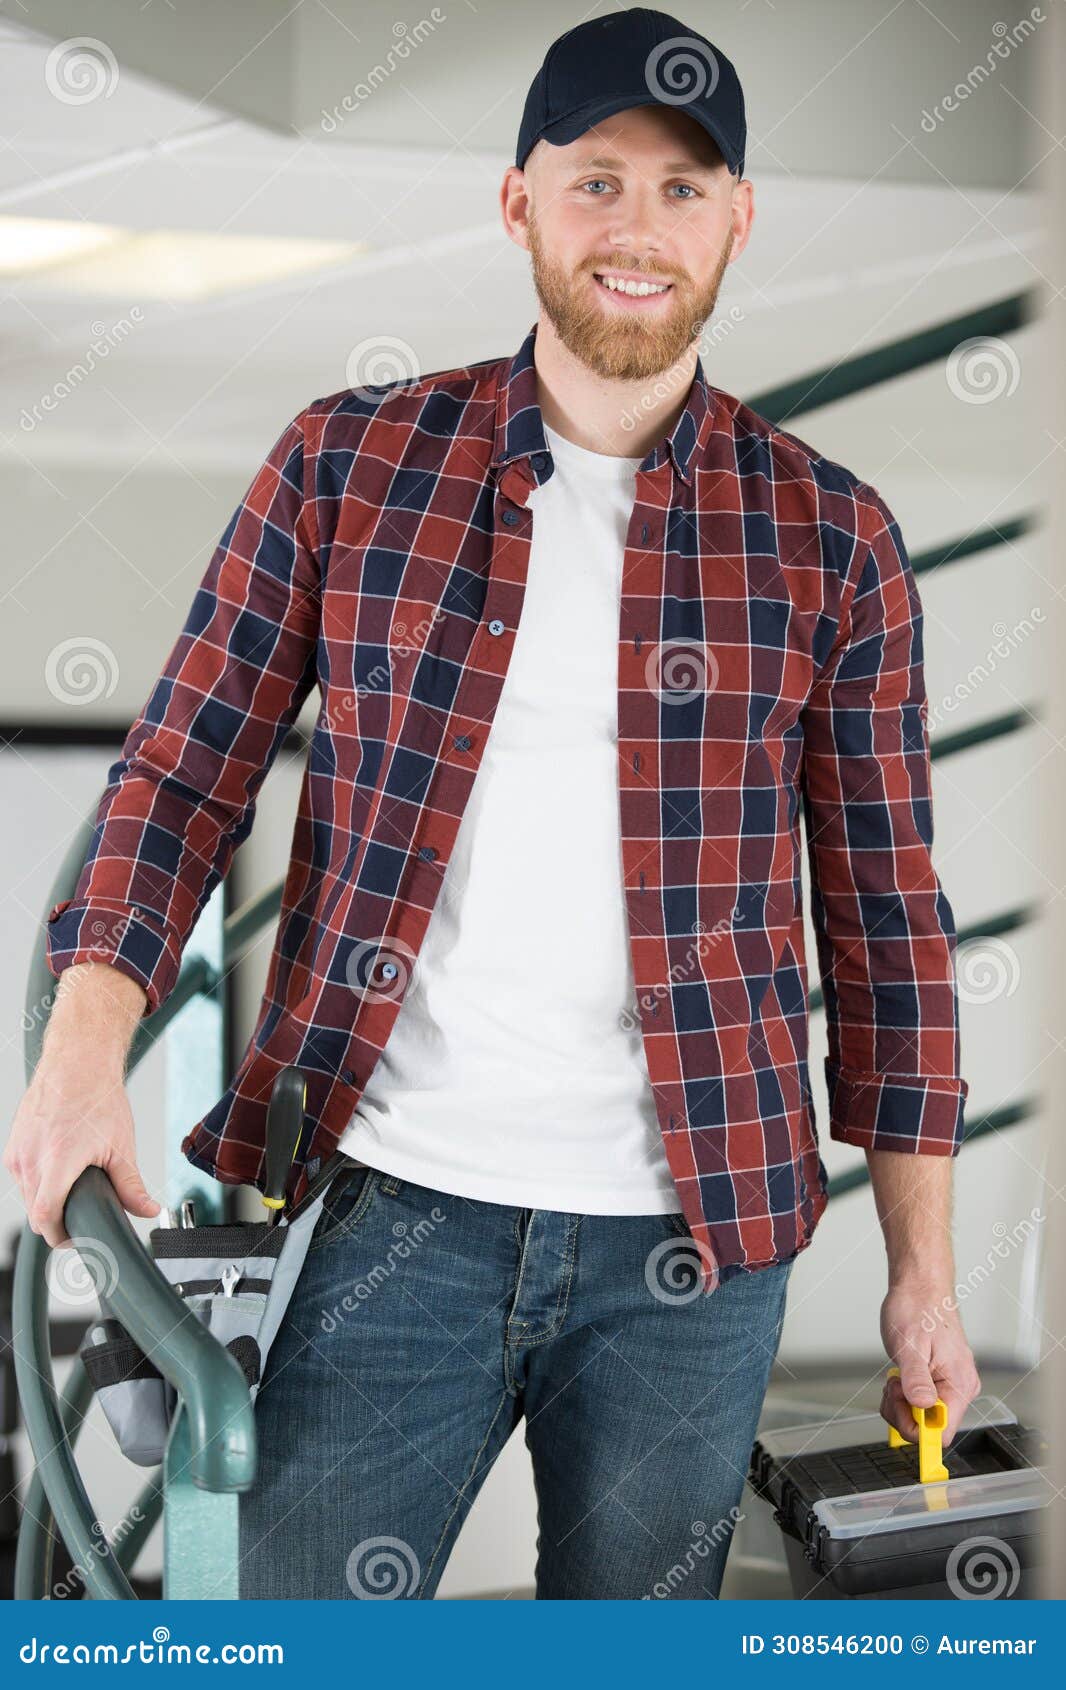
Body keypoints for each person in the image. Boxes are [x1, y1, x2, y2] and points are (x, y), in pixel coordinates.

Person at [6, 9, 979, 1599]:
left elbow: (887, 924)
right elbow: (183, 770)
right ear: (518, 201)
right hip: (393, 1210)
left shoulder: (832, 538)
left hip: (697, 1245)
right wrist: (78, 1058)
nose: (637, 229)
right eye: (596, 182)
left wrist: (921, 1273)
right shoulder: (348, 466)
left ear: (738, 220)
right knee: (296, 1646)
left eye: (681, 190)